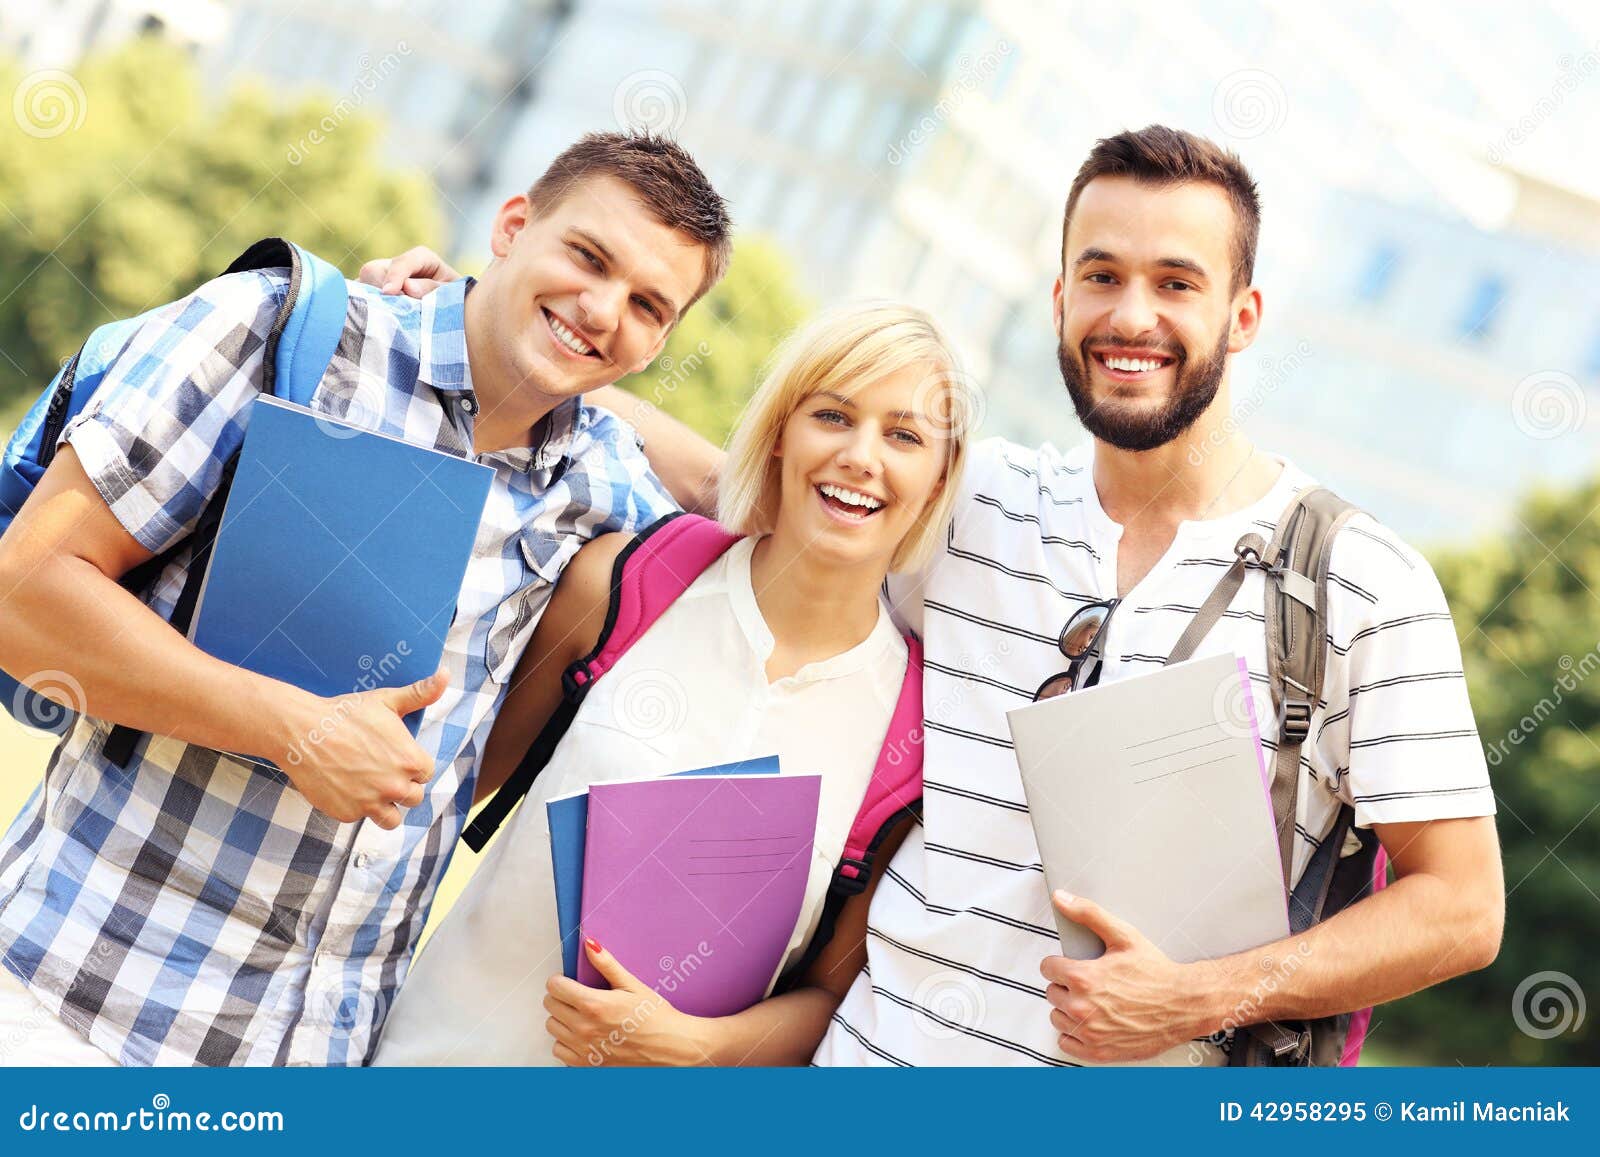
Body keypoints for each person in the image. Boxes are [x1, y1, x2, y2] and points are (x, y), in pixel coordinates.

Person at [369, 125, 1505, 1067]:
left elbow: (1461, 907)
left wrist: (1201, 993)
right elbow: (750, 480)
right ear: (1061, 297)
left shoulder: (1356, 580)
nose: (1131, 316)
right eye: (1102, 275)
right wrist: (476, 319)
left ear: (1241, 315)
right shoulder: (979, 506)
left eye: (1177, 284)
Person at [0, 131, 732, 1067]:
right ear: (512, 226)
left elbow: (749, 497)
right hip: (72, 1009)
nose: (603, 307)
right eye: (588, 258)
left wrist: (565, 352)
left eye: (647, 306)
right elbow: (24, 591)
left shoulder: (604, 487)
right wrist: (293, 728)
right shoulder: (279, 333)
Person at [373, 302, 973, 1065]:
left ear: (940, 476)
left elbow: (831, 995)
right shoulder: (621, 585)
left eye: (905, 435)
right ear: (783, 432)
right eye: (833, 414)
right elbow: (444, 799)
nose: (861, 456)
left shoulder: (909, 733)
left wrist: (698, 1046)